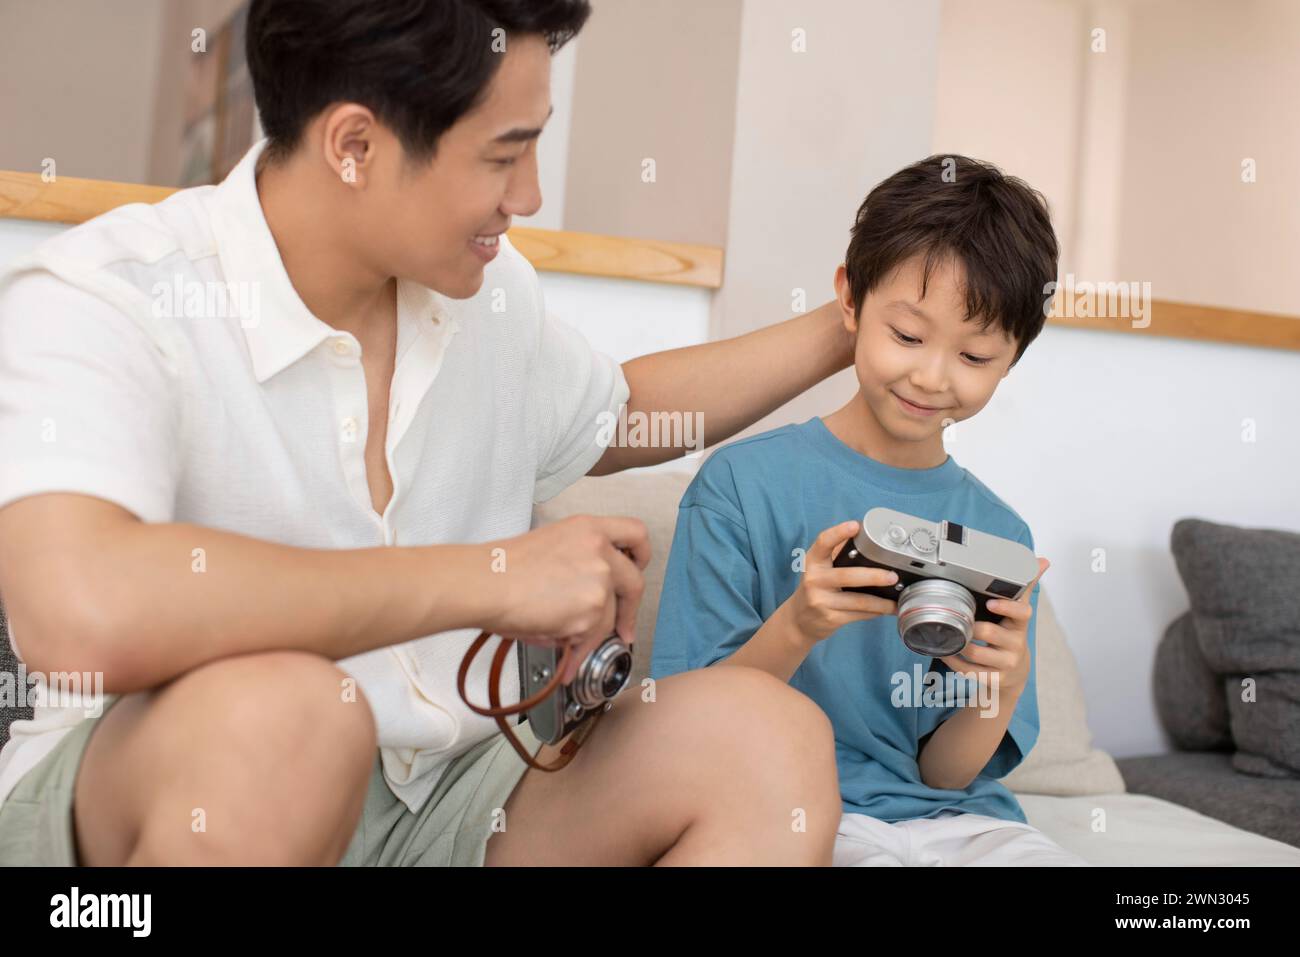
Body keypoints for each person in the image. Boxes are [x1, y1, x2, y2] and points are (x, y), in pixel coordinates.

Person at [0, 0, 855, 866]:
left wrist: (860, 323)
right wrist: (488, 579)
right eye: (503, 154)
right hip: (180, 797)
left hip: (449, 798)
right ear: (355, 146)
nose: (528, 196)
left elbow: (623, 411)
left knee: (766, 743)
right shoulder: (110, 295)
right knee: (288, 721)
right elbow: (81, 610)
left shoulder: (488, 293)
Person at [649, 154, 1088, 866]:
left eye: (975, 357)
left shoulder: (999, 534)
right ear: (850, 301)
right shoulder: (741, 485)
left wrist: (1000, 688)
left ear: (1012, 360)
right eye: (908, 337)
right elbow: (685, 731)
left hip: (964, 821)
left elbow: (945, 774)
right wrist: (799, 623)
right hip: (795, 813)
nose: (931, 376)